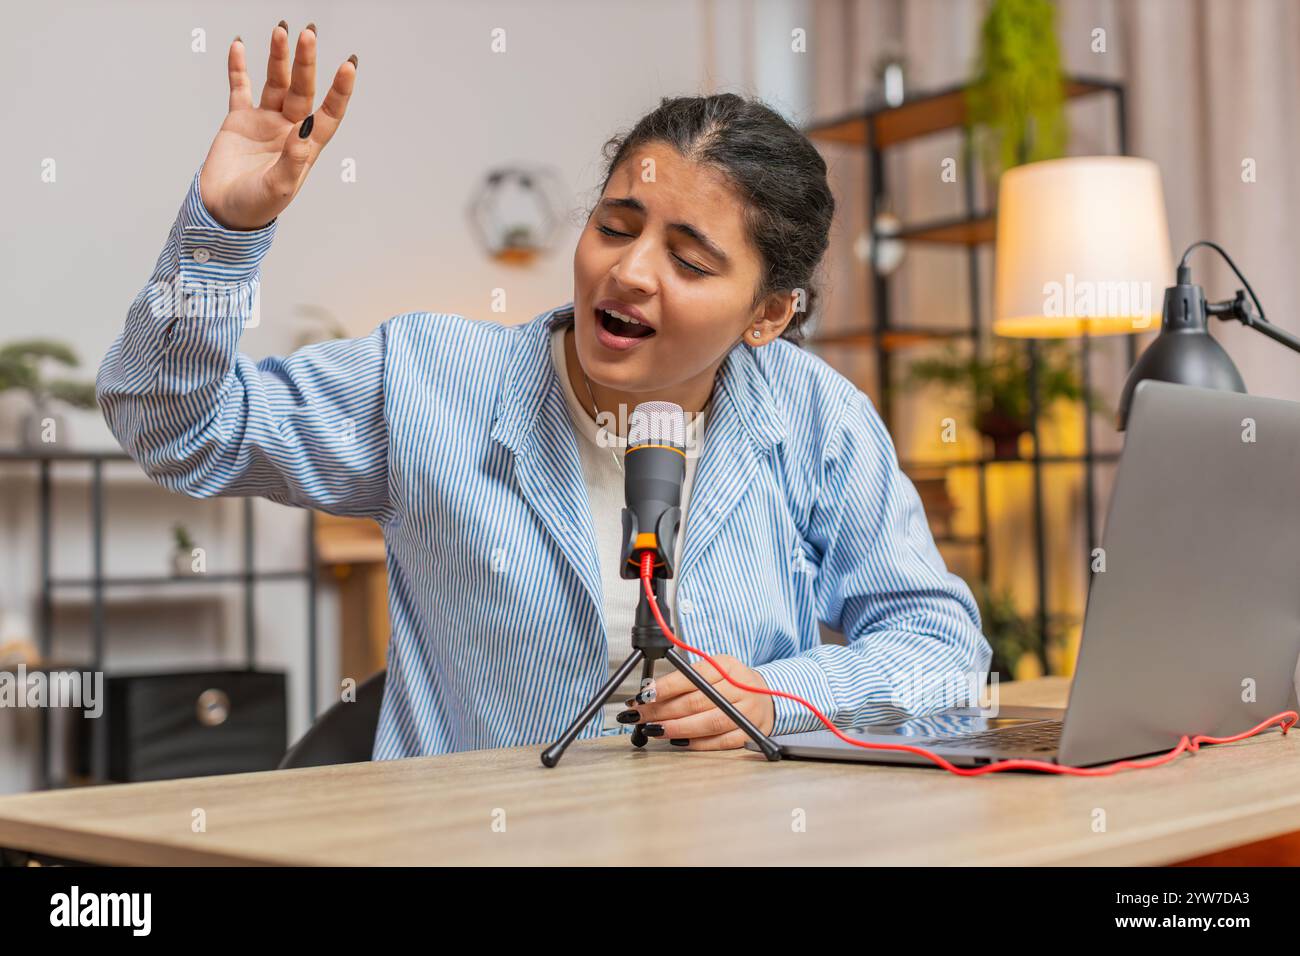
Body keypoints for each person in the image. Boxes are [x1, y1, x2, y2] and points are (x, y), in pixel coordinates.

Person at [97, 22, 991, 759]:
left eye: (687, 260)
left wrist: (778, 694)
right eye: (615, 226)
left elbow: (944, 657)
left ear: (766, 314)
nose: (630, 273)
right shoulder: (427, 380)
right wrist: (221, 232)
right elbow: (173, 426)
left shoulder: (815, 416)